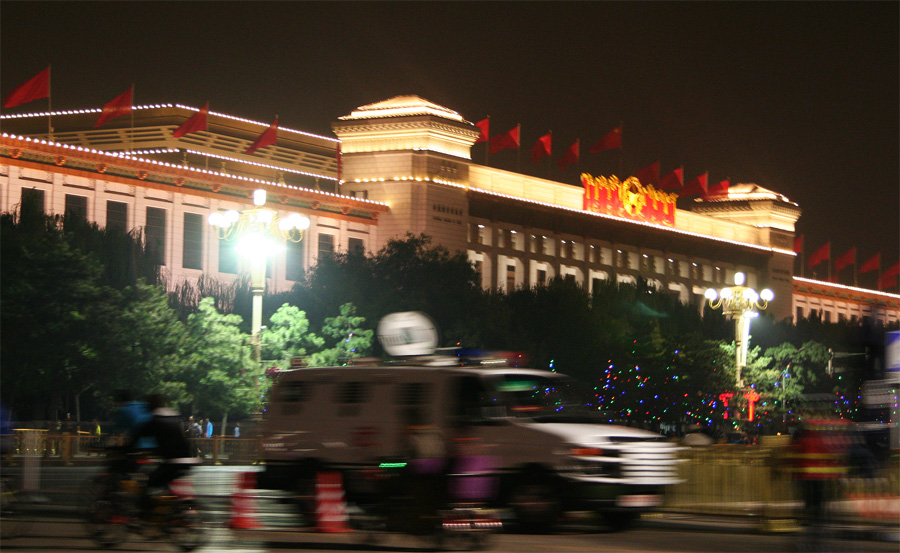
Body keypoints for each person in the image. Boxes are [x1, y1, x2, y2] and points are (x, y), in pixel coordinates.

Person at [129, 394, 199, 516]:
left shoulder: (154, 421)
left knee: (149, 484)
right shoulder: (173, 417)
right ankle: (169, 511)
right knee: (164, 482)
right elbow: (171, 441)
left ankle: (147, 516)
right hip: (188, 460)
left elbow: (135, 441)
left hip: (173, 462)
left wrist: (123, 450)